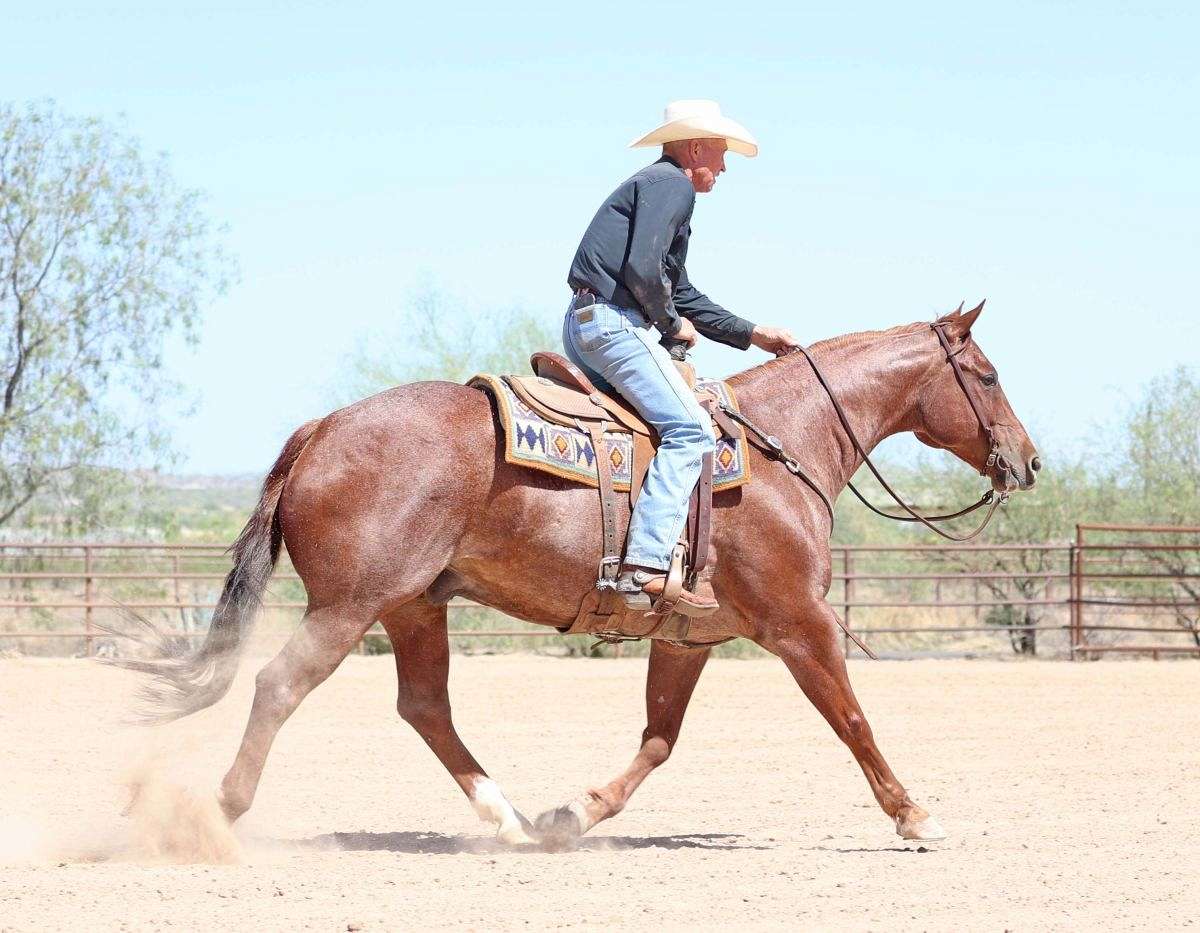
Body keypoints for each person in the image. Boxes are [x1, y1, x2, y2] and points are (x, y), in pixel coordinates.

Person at [564, 99, 800, 616]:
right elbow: (644, 271)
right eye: (721, 154)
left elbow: (679, 290)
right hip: (614, 325)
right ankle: (645, 564)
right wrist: (670, 325)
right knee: (692, 430)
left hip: (587, 322)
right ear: (695, 149)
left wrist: (752, 334)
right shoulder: (671, 184)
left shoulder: (652, 187)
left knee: (648, 426)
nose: (724, 167)